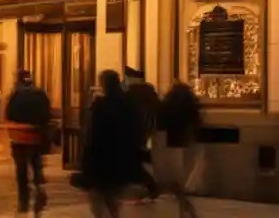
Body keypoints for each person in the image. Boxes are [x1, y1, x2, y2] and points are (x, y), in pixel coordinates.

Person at [82, 70, 143, 218]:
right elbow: (135, 132)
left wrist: (86, 161)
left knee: (99, 200)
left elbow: (93, 135)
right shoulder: (128, 105)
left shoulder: (100, 106)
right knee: (112, 200)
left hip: (101, 159)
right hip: (120, 158)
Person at [6, 70, 53, 214]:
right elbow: (47, 115)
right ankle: (38, 186)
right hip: (37, 137)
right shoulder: (41, 95)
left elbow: (10, 114)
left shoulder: (16, 96)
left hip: (20, 137)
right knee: (36, 163)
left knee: (21, 170)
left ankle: (23, 200)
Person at [155, 81, 202, 218]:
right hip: (184, 143)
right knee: (179, 182)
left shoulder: (166, 108)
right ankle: (186, 209)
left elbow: (160, 127)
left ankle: (186, 208)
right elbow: (196, 124)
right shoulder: (189, 107)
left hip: (169, 143)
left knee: (174, 182)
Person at [124, 67, 161, 201]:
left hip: (134, 131)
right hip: (147, 130)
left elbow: (127, 113)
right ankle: (148, 186)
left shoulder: (131, 93)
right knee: (136, 159)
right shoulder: (150, 92)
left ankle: (151, 186)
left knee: (132, 161)